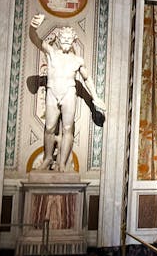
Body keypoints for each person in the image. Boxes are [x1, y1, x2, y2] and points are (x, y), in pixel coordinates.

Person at [30, 14, 105, 171]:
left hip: (69, 92)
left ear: (73, 40)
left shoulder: (77, 60)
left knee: (67, 128)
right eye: (63, 38)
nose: (65, 41)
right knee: (49, 127)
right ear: (58, 39)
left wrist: (95, 97)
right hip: (52, 91)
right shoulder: (51, 53)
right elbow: (35, 39)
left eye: (68, 39)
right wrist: (33, 27)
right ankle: (48, 158)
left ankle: (62, 163)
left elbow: (87, 79)